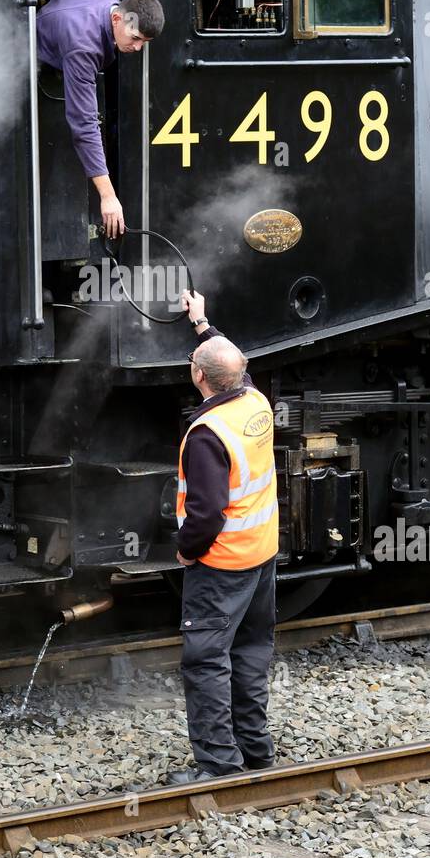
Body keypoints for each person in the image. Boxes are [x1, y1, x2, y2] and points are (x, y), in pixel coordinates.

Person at [168, 290, 279, 784]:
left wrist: (185, 550)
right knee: (252, 652)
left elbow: (207, 514)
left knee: (206, 660)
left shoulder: (207, 433)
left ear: (198, 378)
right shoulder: (255, 401)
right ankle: (256, 750)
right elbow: (231, 361)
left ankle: (218, 765)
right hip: (263, 556)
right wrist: (202, 323)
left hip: (223, 563)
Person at [36, 0, 165, 238]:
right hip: (37, 61)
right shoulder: (84, 48)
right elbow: (83, 125)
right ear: (117, 17)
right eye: (135, 38)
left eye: (145, 42)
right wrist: (107, 197)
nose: (138, 48)